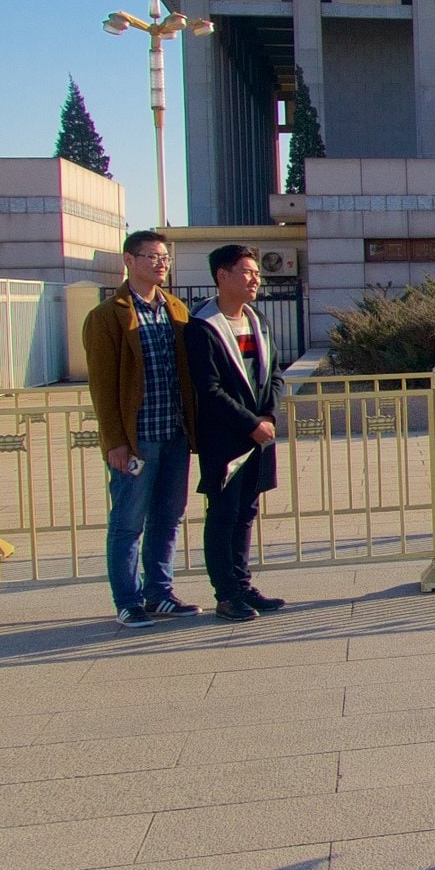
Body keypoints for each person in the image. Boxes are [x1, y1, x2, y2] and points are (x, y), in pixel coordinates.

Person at [82, 230, 197, 627]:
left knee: (168, 517)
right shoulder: (107, 316)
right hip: (137, 439)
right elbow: (102, 386)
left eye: (164, 257)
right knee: (128, 521)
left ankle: (160, 593)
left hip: (175, 433)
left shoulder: (176, 310)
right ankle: (128, 600)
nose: (160, 263)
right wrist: (115, 441)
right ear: (128, 261)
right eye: (151, 256)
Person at [184, 243, 287, 622]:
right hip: (226, 438)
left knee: (246, 512)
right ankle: (226, 595)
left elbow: (274, 373)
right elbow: (208, 390)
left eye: (257, 273)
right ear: (221, 276)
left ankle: (243, 586)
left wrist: (269, 417)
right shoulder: (202, 327)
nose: (255, 279)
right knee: (223, 515)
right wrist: (250, 423)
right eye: (246, 272)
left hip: (260, 433)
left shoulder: (257, 318)